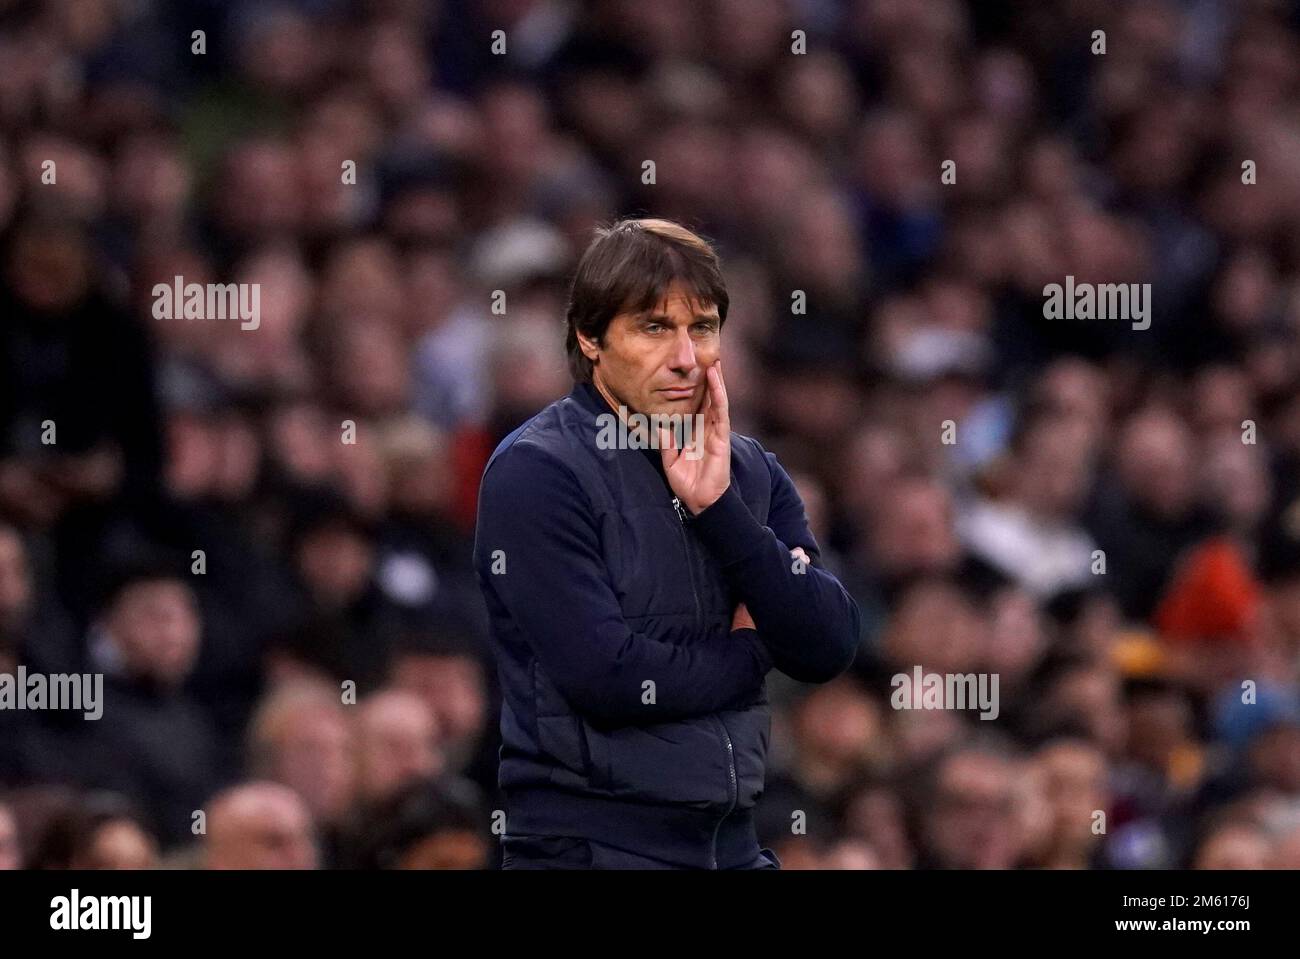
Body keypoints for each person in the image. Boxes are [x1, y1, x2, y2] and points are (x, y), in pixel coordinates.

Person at [473, 218, 861, 869]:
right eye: (654, 327)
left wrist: (721, 512)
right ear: (590, 337)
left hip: (731, 842)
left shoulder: (750, 470)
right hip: (591, 849)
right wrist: (752, 652)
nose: (686, 357)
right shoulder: (537, 471)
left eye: (702, 328)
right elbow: (611, 677)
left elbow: (829, 642)